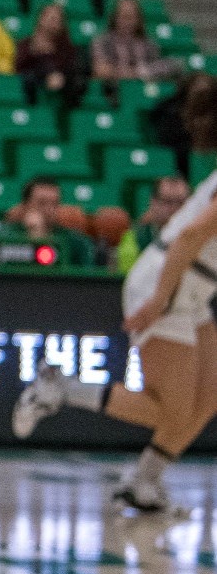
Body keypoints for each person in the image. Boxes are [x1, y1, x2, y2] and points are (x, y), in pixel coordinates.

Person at [17, 165, 217, 512]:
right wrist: (159, 300)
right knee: (175, 412)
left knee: (210, 395)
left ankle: (144, 483)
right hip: (169, 279)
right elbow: (190, 237)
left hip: (198, 285)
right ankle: (63, 388)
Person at [1, 177, 95, 267]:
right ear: (25, 206)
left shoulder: (76, 243)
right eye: (42, 203)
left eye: (55, 204)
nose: (49, 210)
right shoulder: (6, 237)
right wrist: (34, 234)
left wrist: (40, 235)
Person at [117, 175, 190, 274]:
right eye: (168, 202)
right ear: (153, 202)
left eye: (181, 202)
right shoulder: (136, 238)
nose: (174, 208)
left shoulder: (201, 239)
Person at [91, 0, 168, 83]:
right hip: (114, 91)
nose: (127, 22)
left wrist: (124, 72)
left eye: (131, 17)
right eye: (124, 17)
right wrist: (137, 73)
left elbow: (161, 67)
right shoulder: (102, 41)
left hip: (144, 89)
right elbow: (101, 70)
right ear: (114, 18)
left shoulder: (149, 44)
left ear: (139, 20)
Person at [16, 1, 83, 102]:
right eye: (50, 17)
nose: (53, 21)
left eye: (57, 18)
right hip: (30, 97)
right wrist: (39, 54)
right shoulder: (26, 46)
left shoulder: (68, 49)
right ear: (40, 19)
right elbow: (18, 69)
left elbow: (74, 70)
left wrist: (60, 77)